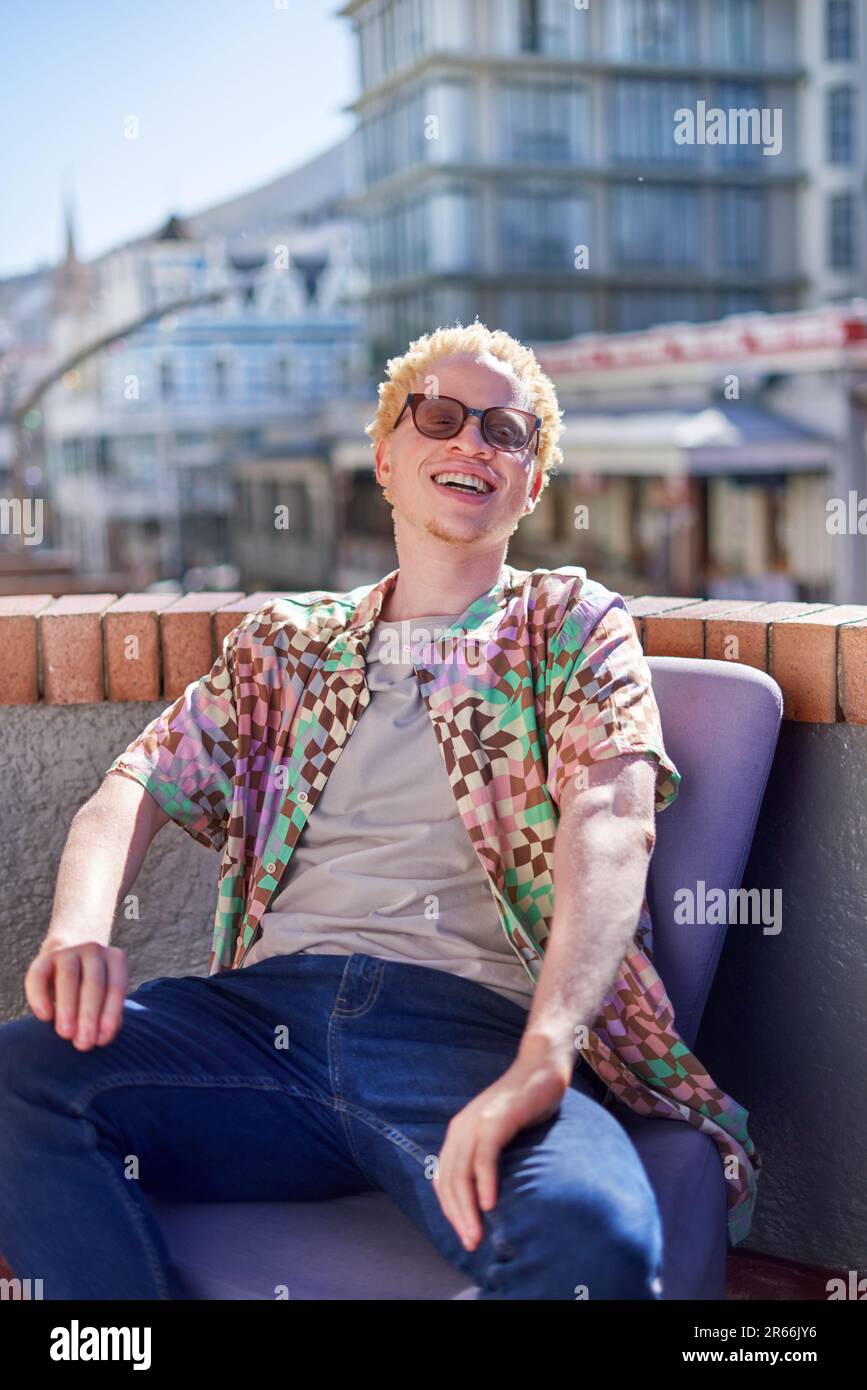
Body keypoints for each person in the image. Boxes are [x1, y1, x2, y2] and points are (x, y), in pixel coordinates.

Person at [0, 322, 758, 1300]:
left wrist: (547, 1050)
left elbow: (615, 817)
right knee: (18, 1078)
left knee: (593, 1244)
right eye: (438, 416)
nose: (471, 442)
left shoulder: (569, 624)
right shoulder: (286, 643)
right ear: (385, 458)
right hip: (254, 1027)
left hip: (473, 1031)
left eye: (506, 432)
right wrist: (77, 932)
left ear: (532, 483)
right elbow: (130, 788)